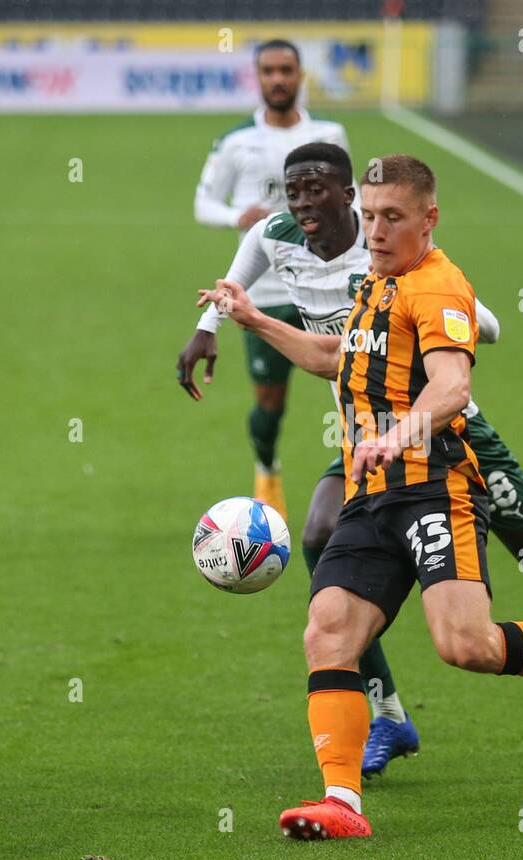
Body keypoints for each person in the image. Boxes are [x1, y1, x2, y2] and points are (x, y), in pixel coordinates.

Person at [202, 155, 523, 840]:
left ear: (428, 219)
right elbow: (337, 357)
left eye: (392, 218)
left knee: (467, 646)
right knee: (328, 632)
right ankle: (341, 802)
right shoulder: (375, 281)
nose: (374, 231)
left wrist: (396, 438)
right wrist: (253, 318)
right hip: (371, 492)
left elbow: (452, 386)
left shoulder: (438, 287)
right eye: (370, 217)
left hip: (436, 487)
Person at [182, 39, 349, 520]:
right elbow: (202, 203)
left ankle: (358, 479)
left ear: (300, 76)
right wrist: (241, 216)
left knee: (351, 387)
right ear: (258, 78)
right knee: (270, 401)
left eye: (287, 70)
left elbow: (349, 201)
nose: (278, 79)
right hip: (267, 293)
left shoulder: (329, 132)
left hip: (327, 287)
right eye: (269, 71)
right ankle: (267, 466)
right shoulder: (236, 140)